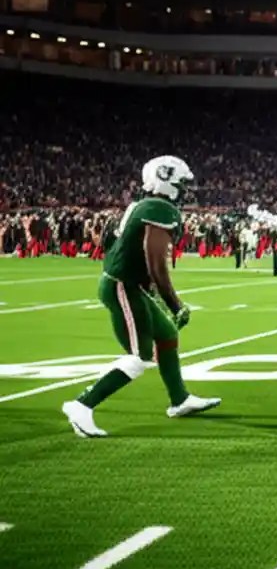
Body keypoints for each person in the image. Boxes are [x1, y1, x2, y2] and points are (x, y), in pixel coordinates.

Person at [61, 156, 221, 438]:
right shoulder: (158, 208)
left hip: (129, 284)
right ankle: (82, 404)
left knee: (167, 332)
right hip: (124, 285)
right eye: (182, 183)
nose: (185, 190)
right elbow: (155, 262)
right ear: (167, 179)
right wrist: (174, 303)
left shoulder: (144, 205)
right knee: (139, 357)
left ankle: (179, 399)